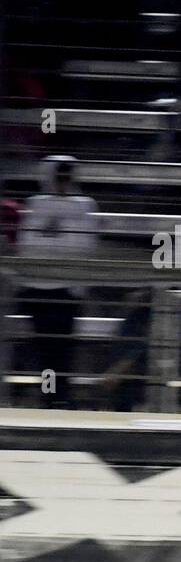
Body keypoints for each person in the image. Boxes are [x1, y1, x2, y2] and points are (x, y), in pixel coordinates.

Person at [16, 156, 99, 406]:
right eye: (59, 176)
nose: (63, 181)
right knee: (41, 349)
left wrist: (54, 243)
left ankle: (59, 399)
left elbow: (84, 246)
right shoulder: (34, 204)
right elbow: (27, 246)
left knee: (63, 349)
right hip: (36, 289)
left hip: (66, 290)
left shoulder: (85, 205)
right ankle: (46, 398)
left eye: (67, 176)